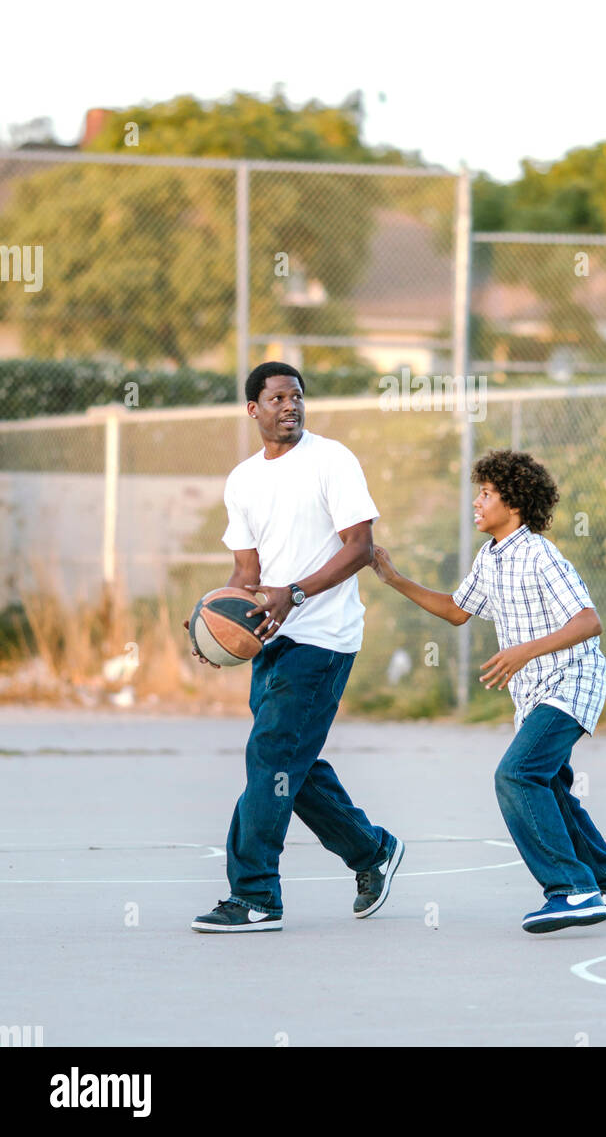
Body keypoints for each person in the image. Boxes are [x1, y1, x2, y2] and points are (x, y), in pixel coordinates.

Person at [371, 447, 606, 934]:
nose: (476, 502)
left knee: (515, 775)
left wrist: (524, 652)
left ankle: (572, 890)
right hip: (536, 692)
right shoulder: (491, 557)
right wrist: (393, 578)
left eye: (486, 494)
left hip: (571, 681)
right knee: (551, 788)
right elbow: (457, 609)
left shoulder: (539, 553)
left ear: (513, 504)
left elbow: (589, 621)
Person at [188, 362, 403, 932]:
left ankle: (255, 895)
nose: (290, 405)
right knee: (291, 764)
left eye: (297, 396)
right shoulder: (243, 480)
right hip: (271, 638)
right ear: (253, 409)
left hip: (323, 638)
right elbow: (245, 570)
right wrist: (209, 626)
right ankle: (371, 851)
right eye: (277, 397)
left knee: (271, 758)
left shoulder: (332, 460)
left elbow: (360, 546)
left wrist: (297, 593)